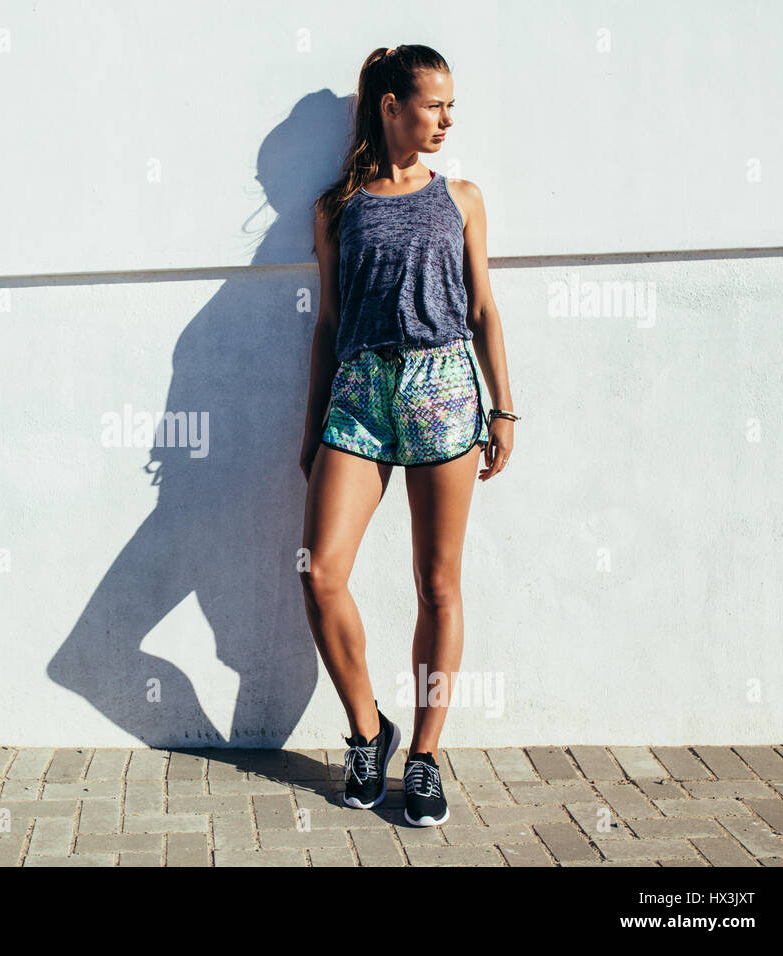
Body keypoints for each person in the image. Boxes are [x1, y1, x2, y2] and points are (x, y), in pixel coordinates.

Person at [299, 44, 519, 827]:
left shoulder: (460, 197)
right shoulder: (337, 207)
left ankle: (423, 756)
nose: (447, 119)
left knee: (438, 583)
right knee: (320, 572)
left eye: (450, 105)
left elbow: (485, 308)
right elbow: (327, 324)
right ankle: (370, 731)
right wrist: (312, 423)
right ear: (391, 106)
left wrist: (503, 408)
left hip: (443, 389)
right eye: (433, 104)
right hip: (359, 394)